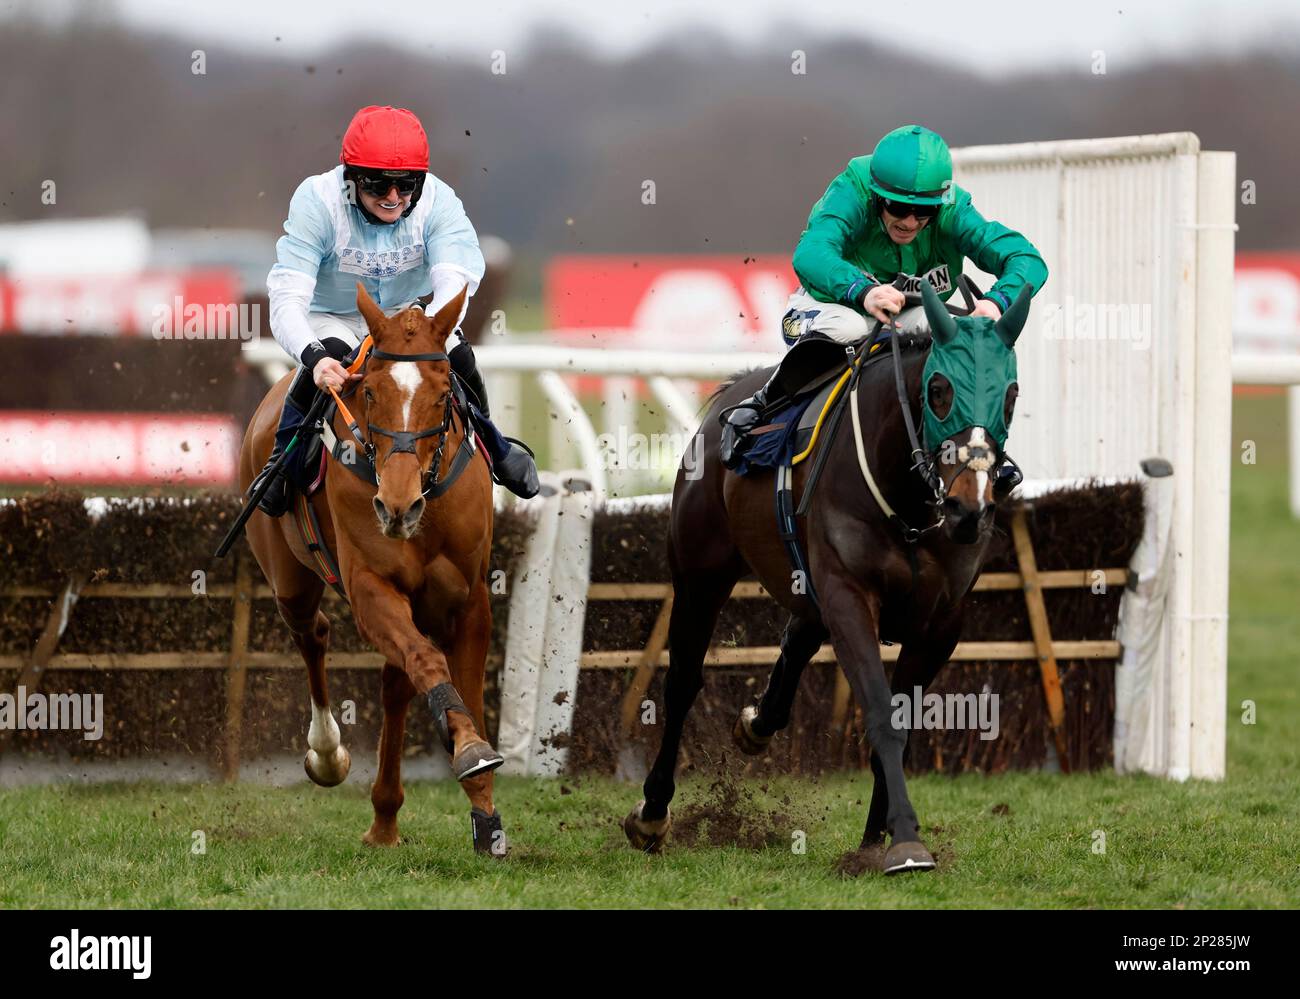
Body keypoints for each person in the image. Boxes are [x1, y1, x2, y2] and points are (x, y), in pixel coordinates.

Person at [249, 104, 539, 515]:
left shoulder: (440, 203)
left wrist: (429, 332)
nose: (392, 197)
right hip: (331, 314)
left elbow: (454, 284)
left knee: (455, 350)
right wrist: (313, 359)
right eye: (377, 184)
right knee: (332, 350)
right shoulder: (318, 202)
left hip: (407, 314)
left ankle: (493, 444)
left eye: (405, 186)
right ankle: (283, 459)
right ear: (350, 178)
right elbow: (287, 298)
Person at [719, 124, 1048, 470]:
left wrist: (997, 302)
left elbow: (1026, 259)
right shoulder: (852, 190)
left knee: (948, 335)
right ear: (877, 196)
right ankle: (762, 403)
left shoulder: (953, 209)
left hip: (906, 314)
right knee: (848, 326)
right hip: (829, 307)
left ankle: (971, 450)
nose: (909, 221)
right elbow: (810, 252)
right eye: (898, 207)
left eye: (924, 212)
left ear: (940, 204)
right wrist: (864, 291)